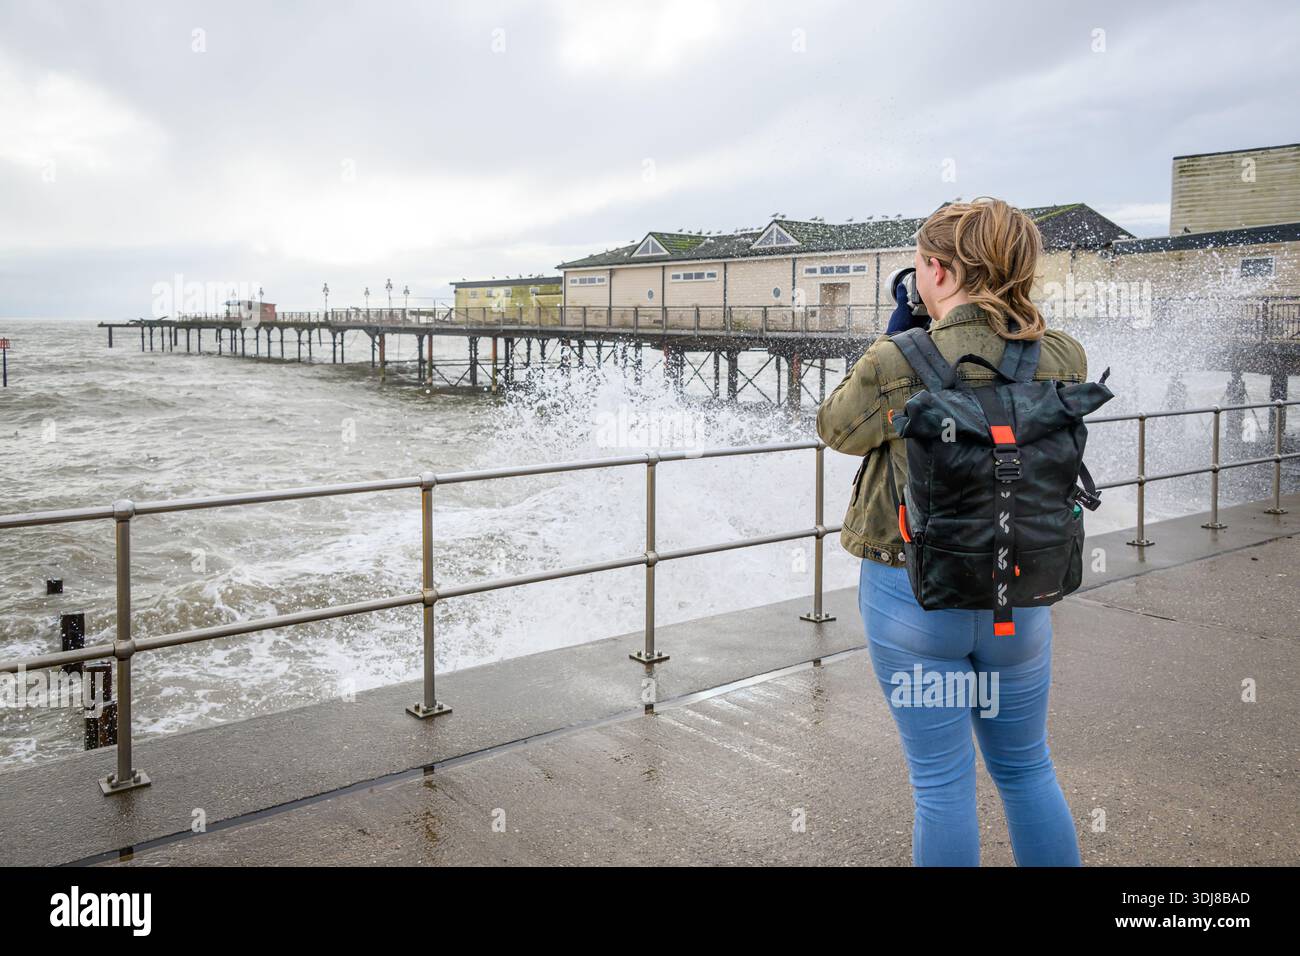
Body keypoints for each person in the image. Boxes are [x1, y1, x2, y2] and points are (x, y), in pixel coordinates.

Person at [815, 198, 1087, 866]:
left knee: (941, 786)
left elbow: (837, 430)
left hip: (913, 593)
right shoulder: (1061, 356)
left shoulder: (897, 359)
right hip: (1017, 595)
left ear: (934, 269)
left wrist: (903, 327)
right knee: (1027, 770)